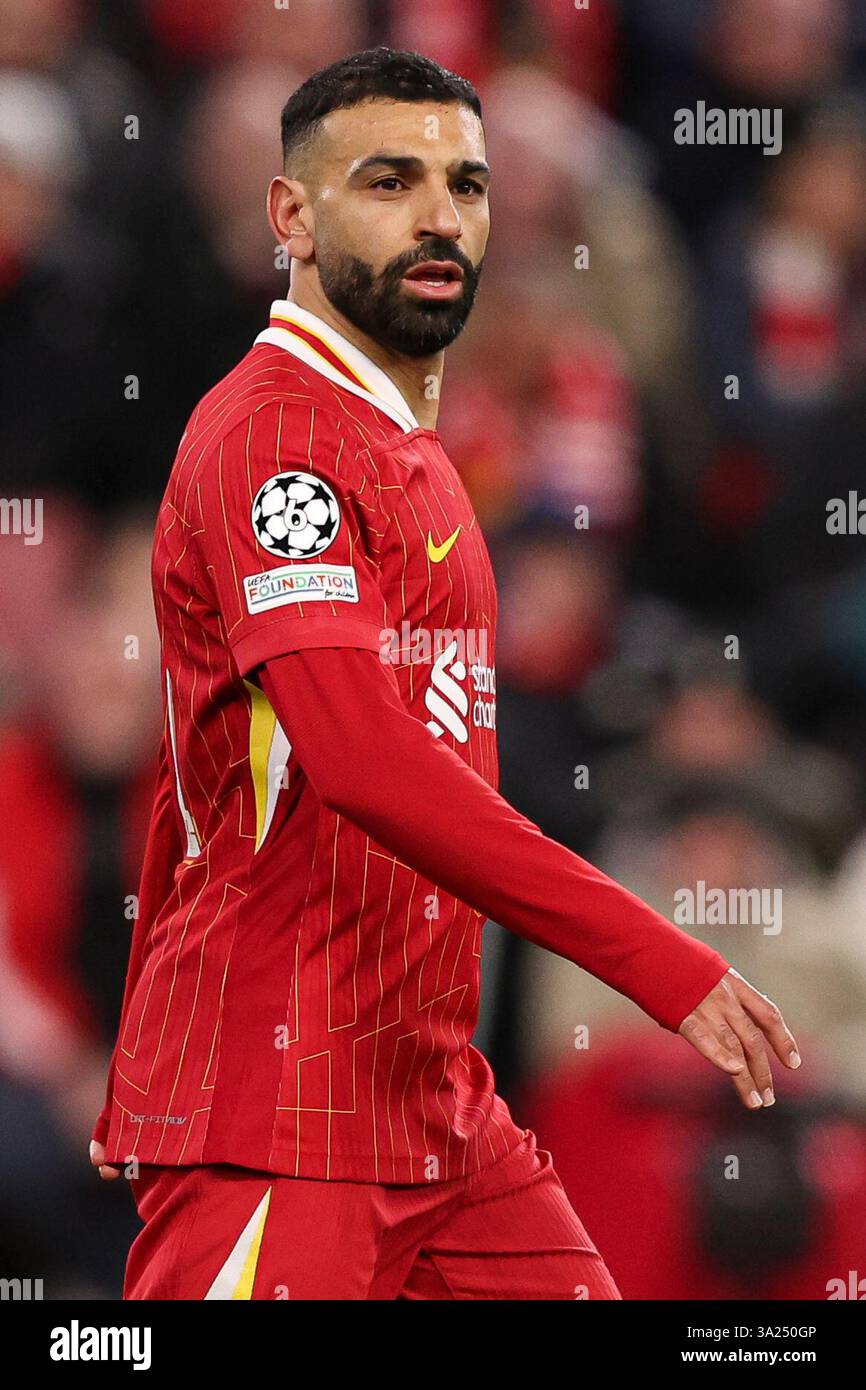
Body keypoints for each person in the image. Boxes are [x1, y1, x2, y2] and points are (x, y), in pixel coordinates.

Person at [90, 47, 800, 1301]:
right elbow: (362, 762)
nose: (439, 217)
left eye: (465, 184)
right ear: (290, 217)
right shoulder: (274, 446)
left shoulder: (407, 449)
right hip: (285, 1114)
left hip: (433, 1106)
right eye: (388, 180)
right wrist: (659, 958)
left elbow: (196, 779)